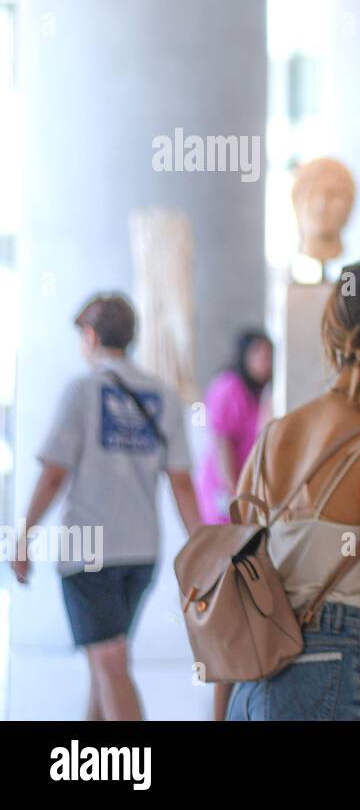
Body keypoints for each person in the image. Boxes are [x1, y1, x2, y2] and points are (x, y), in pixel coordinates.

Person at [219, 261, 360, 721]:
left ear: (329, 333)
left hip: (254, 680)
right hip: (334, 669)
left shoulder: (273, 436)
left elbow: (240, 573)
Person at [10, 293, 201, 720]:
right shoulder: (164, 395)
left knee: (110, 664)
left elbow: (54, 474)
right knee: (107, 661)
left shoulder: (82, 390)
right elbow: (182, 482)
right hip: (142, 552)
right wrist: (204, 549)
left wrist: (23, 539)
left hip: (89, 550)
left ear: (91, 336)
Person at [195, 330, 272, 525]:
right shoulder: (229, 386)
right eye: (257, 352)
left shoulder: (261, 392)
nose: (264, 359)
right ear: (244, 354)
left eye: (268, 354)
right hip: (224, 486)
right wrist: (234, 495)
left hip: (243, 487)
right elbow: (222, 444)